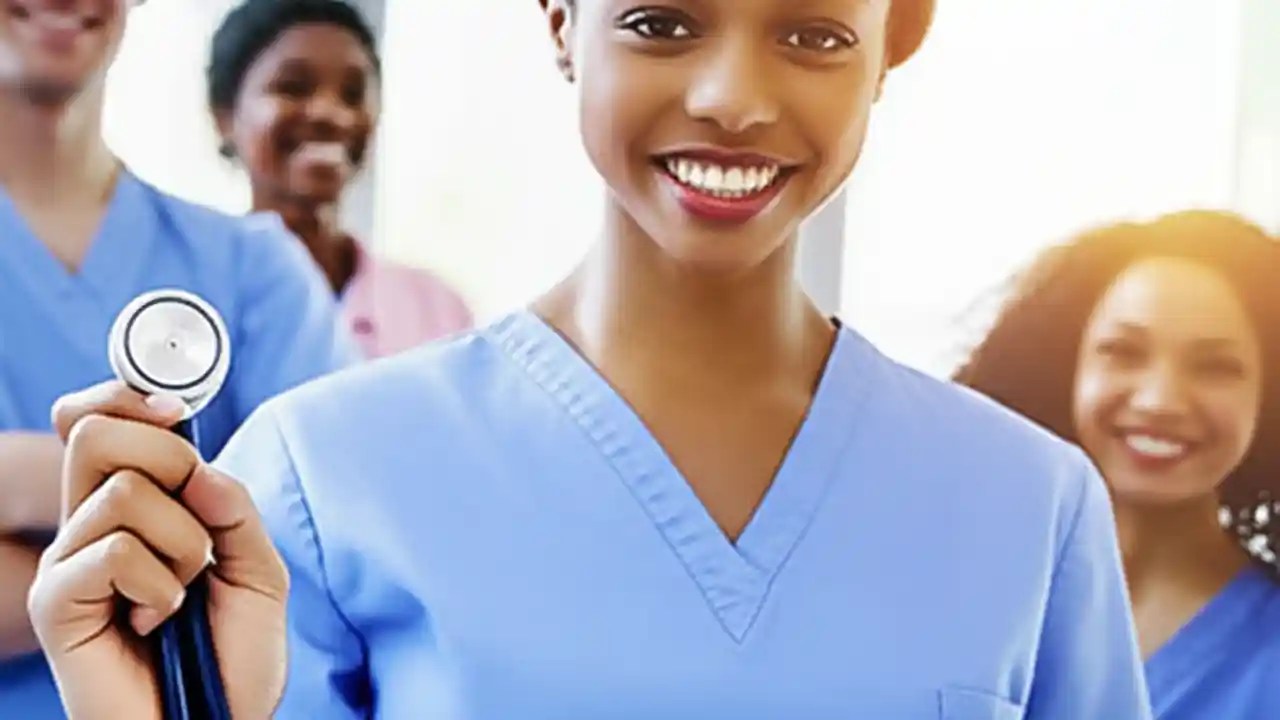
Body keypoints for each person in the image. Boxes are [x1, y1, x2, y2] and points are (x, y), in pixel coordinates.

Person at [29, 1, 1155, 717]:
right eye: (662, 23)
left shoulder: (1029, 508)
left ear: (889, 49)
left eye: (811, 34)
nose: (730, 97)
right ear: (560, 21)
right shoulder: (325, 474)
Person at [0, 0, 353, 716]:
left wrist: (17, 480)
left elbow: (323, 552)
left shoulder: (257, 270)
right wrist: (178, 528)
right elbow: (251, 551)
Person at [954, 211, 1280, 718]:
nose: (1159, 400)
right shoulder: (967, 603)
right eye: (1122, 352)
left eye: (1216, 367)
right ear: (1065, 369)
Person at [209, 0, 473, 359]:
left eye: (353, 94)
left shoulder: (436, 309)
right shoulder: (192, 297)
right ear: (224, 116)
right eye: (293, 87)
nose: (329, 114)